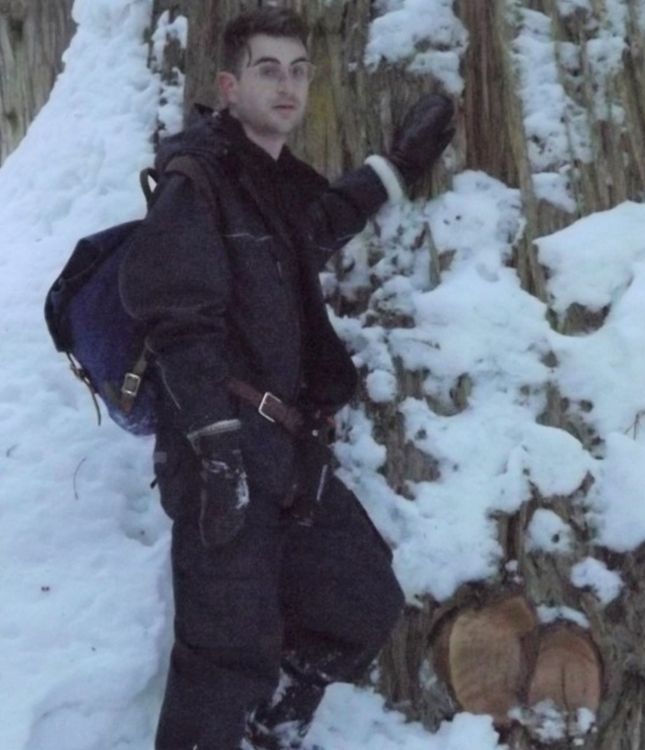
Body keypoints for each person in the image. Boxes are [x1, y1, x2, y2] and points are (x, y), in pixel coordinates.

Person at [119, 8, 454, 750]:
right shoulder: (195, 179)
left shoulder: (272, 184)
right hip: (221, 450)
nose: (289, 86)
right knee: (222, 658)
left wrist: (399, 166)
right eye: (269, 69)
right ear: (229, 86)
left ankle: (275, 732)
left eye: (300, 71)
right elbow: (175, 318)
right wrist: (217, 449)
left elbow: (324, 221)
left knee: (362, 601)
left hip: (290, 454)